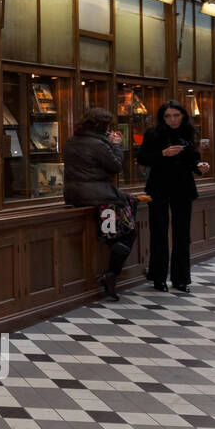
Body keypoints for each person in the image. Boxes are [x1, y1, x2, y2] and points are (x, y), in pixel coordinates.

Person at [137, 100, 211, 292]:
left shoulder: (189, 132)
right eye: (168, 116)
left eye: (176, 115)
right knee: (159, 233)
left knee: (182, 234)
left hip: (183, 187)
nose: (172, 120)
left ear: (183, 115)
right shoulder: (153, 134)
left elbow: (194, 159)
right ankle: (158, 277)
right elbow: (142, 158)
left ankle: (181, 279)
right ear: (162, 118)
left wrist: (200, 167)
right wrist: (163, 153)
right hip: (159, 187)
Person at [64, 108, 136, 301]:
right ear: (103, 127)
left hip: (76, 196)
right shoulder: (98, 144)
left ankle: (110, 269)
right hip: (102, 200)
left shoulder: (71, 141)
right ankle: (111, 274)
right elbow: (116, 167)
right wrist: (117, 145)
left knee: (116, 230)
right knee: (125, 232)